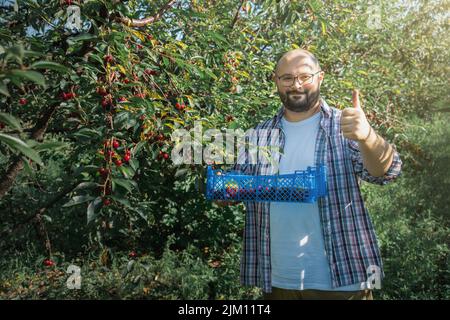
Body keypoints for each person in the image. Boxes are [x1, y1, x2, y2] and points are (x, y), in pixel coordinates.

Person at [217, 48, 402, 300]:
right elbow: (231, 191)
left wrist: (367, 136)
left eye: (305, 76)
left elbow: (387, 172)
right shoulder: (259, 135)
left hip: (342, 284)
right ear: (276, 81)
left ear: (320, 77)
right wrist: (218, 185)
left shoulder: (343, 126)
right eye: (287, 78)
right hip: (278, 282)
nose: (297, 85)